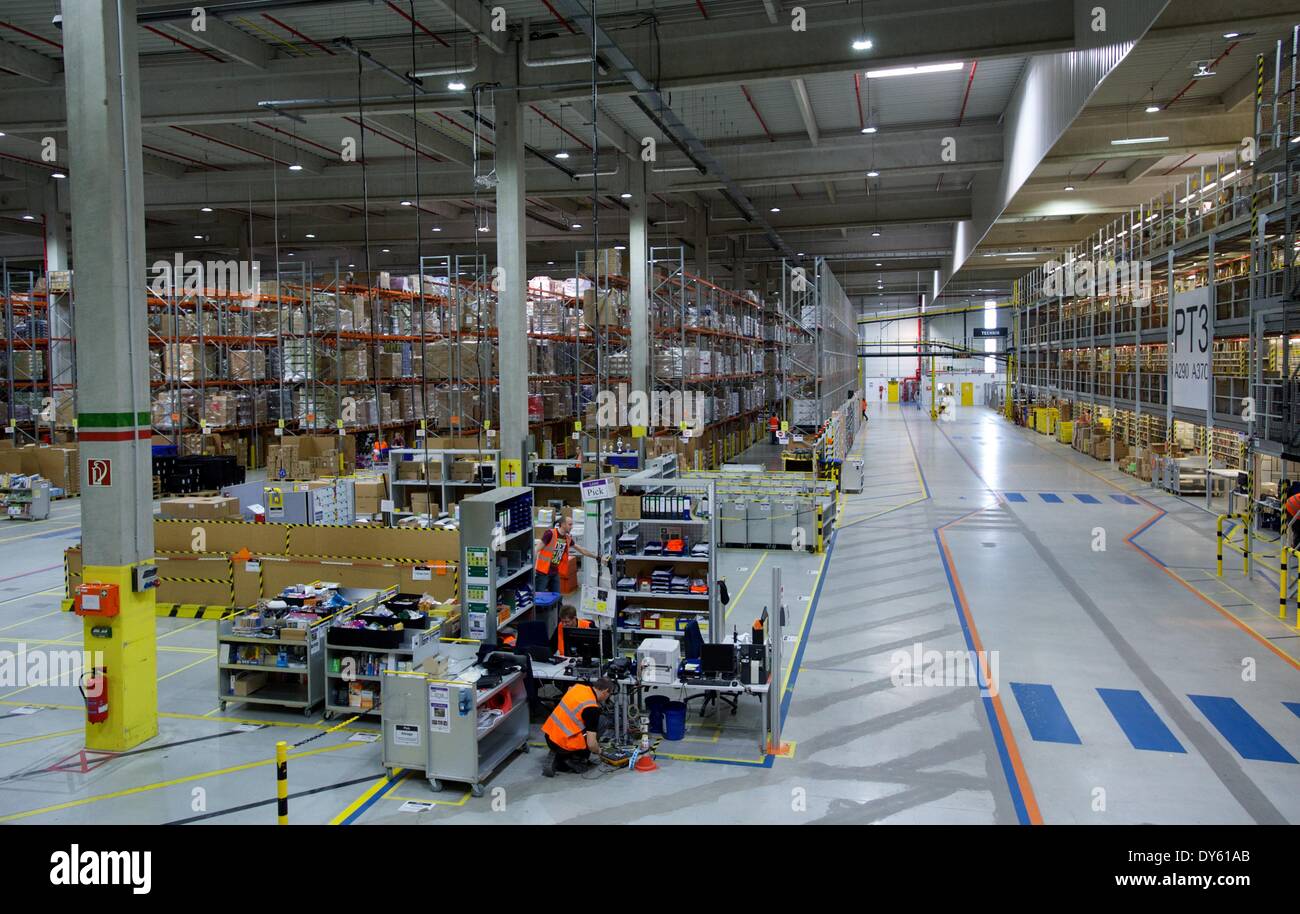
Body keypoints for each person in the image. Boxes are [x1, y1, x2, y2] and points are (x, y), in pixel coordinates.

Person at [541, 676, 613, 776]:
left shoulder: (578, 687)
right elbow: (592, 744)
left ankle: (559, 754)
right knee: (603, 721)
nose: (607, 698)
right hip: (564, 743)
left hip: (549, 735)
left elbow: (572, 701)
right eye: (609, 695)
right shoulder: (592, 709)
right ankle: (575, 759)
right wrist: (599, 750)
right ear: (605, 691)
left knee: (582, 723)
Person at [534, 514, 601, 594]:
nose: (572, 527)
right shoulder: (550, 534)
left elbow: (582, 550)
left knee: (557, 597)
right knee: (539, 597)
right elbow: (536, 549)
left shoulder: (567, 538)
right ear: (562, 524)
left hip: (554, 572)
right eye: (570, 524)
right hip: (542, 572)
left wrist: (596, 557)